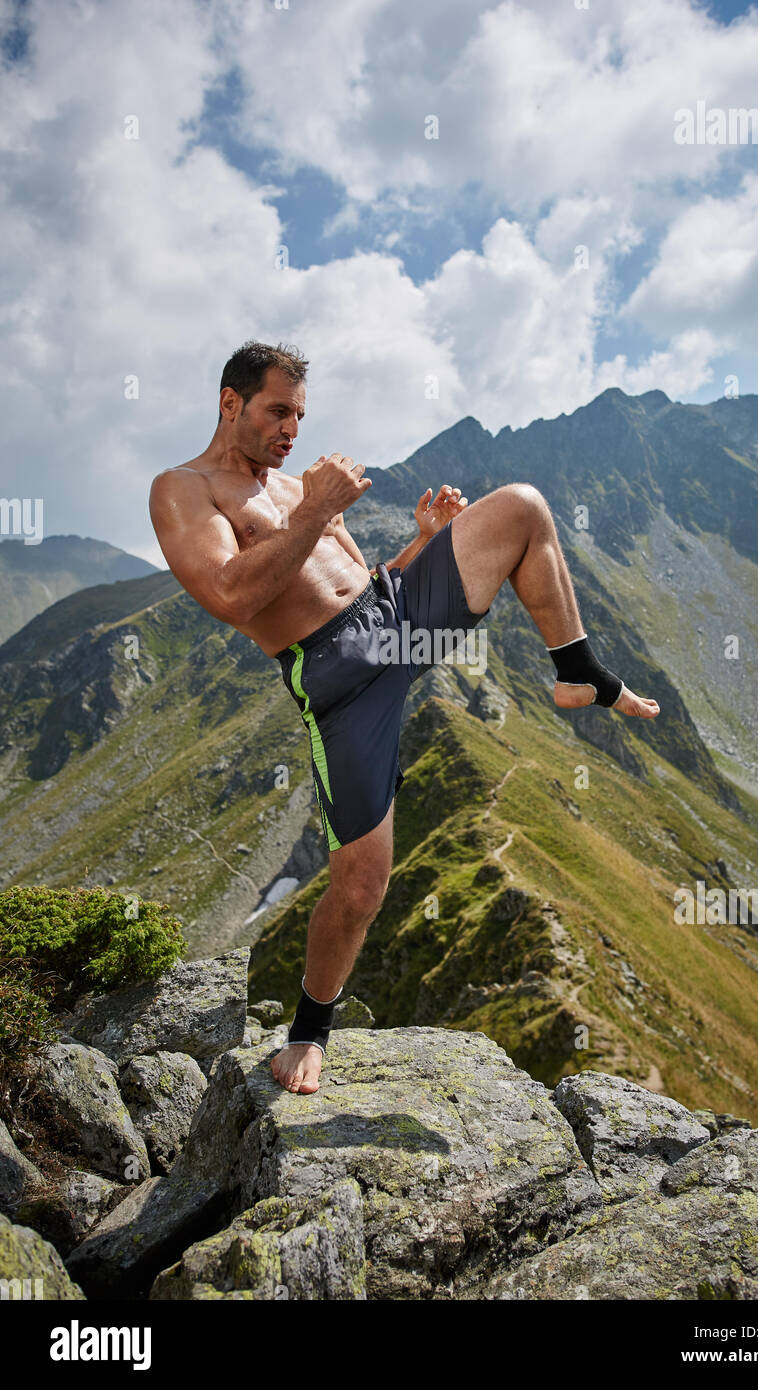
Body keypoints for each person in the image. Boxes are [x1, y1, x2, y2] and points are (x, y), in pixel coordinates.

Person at [149, 340, 660, 1096]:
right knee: (361, 888)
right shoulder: (183, 490)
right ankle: (307, 1036)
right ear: (231, 403)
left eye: (299, 414)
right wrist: (320, 506)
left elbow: (359, 581)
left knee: (521, 505)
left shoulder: (297, 487)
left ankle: (577, 672)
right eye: (277, 411)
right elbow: (231, 595)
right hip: (338, 679)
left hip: (394, 616)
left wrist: (421, 542)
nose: (291, 428)